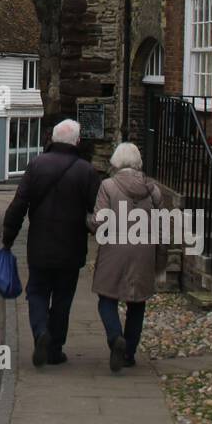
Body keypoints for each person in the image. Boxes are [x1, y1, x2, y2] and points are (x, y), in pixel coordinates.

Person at [1, 119, 101, 367]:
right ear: (77, 141)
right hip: (72, 247)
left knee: (36, 292)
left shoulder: (35, 166)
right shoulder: (86, 171)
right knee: (63, 298)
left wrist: (8, 238)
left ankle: (40, 333)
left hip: (40, 245)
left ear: (52, 139)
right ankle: (55, 349)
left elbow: (19, 205)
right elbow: (98, 210)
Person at [89, 142, 166, 372]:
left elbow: (100, 222)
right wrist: (160, 259)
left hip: (115, 249)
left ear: (116, 161)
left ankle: (115, 338)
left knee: (107, 299)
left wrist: (88, 222)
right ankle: (129, 353)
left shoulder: (108, 186)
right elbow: (163, 227)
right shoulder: (153, 190)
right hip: (144, 250)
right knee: (137, 303)